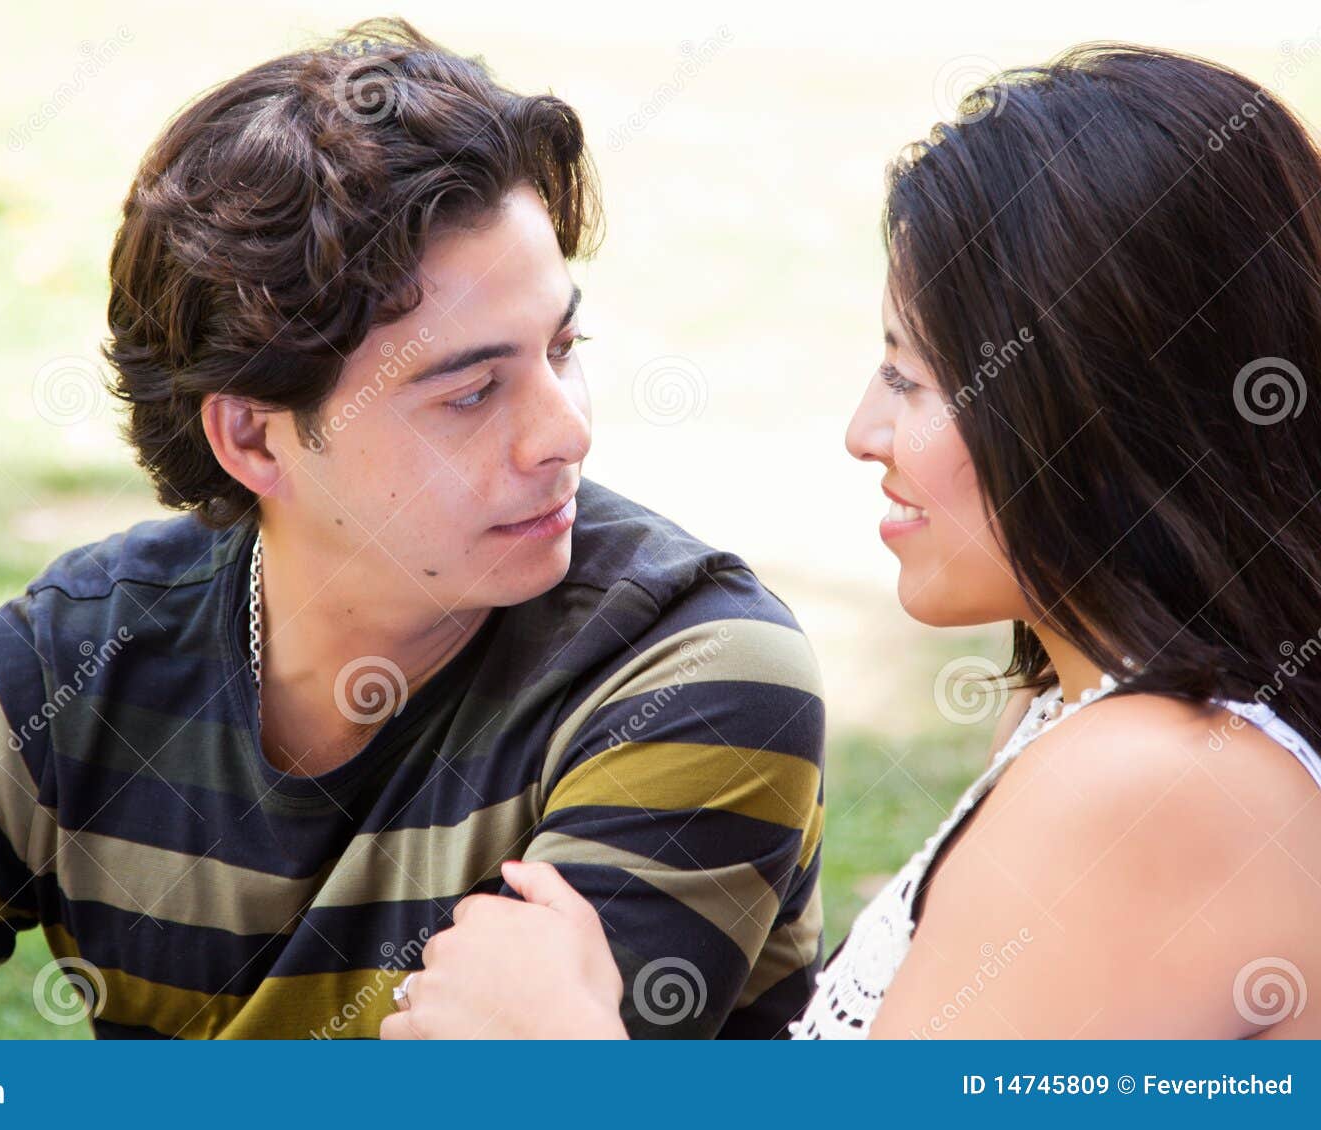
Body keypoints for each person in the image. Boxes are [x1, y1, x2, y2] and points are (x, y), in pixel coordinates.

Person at [0, 19, 827, 1041]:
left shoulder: (696, 675)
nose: (566, 432)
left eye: (561, 348)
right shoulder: (56, 678)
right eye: (469, 392)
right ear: (254, 440)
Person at [381, 43, 1321, 1040]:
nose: (862, 430)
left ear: (1095, 410)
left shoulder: (1146, 787)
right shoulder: (1081, 709)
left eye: (908, 378)